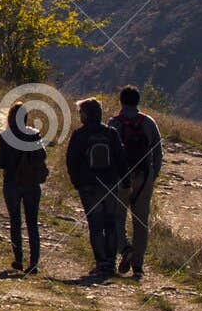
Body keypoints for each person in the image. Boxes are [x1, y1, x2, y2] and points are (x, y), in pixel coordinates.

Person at [64, 98, 129, 281]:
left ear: (85, 114)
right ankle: (110, 264)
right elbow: (120, 158)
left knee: (95, 225)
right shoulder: (111, 133)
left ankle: (101, 263)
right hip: (110, 185)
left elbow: (71, 161)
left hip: (88, 186)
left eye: (80, 113)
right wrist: (125, 181)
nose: (80, 116)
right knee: (110, 223)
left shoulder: (79, 134)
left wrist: (77, 182)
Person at [112, 85, 164, 281]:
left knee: (117, 217)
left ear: (121, 101)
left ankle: (124, 248)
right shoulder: (148, 122)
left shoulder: (115, 123)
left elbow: (111, 152)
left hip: (121, 177)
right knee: (141, 222)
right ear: (138, 101)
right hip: (144, 177)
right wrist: (153, 174)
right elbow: (158, 151)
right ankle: (138, 266)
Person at [0, 101, 48, 274]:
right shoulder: (34, 134)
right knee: (32, 223)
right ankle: (33, 263)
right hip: (32, 184)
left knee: (15, 221)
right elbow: (42, 156)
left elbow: (0, 162)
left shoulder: (5, 136)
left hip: (12, 183)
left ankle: (18, 259)